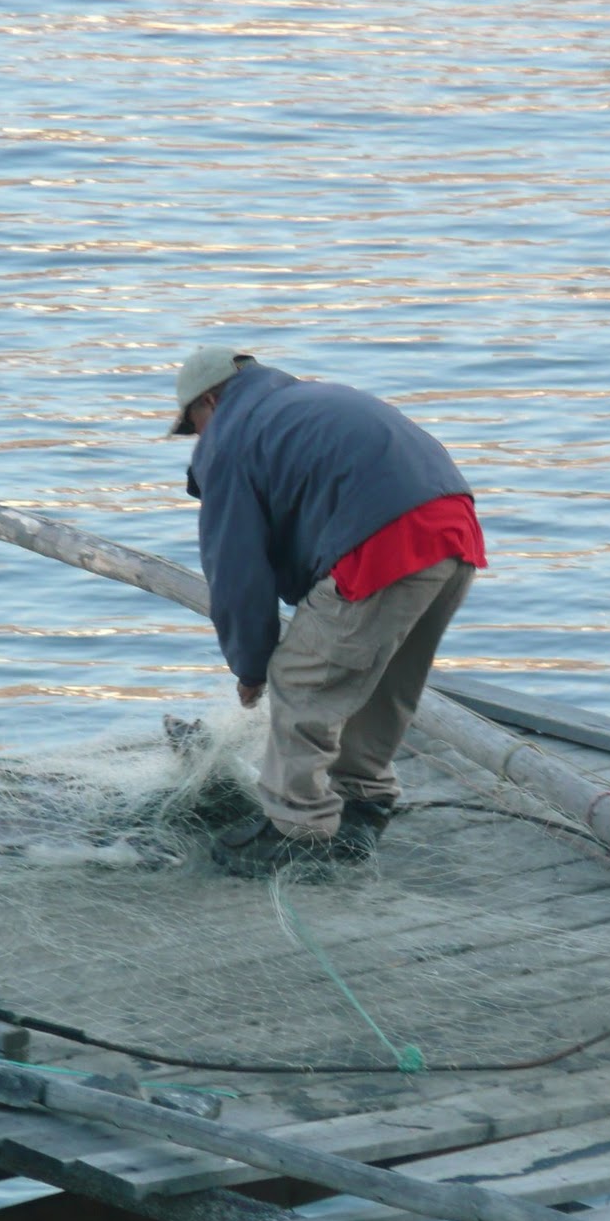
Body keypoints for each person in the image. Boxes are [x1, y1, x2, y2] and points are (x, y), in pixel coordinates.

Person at [169, 344, 486, 879]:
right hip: (454, 529)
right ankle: (362, 801)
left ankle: (297, 829)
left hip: (384, 543)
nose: (198, 436)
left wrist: (250, 668)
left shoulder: (229, 440)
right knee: (382, 676)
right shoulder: (304, 401)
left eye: (193, 423)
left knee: (301, 675)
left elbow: (237, 571)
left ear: (209, 400)